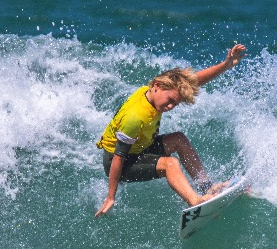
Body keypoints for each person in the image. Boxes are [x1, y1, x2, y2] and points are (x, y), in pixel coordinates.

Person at [94, 44, 247, 217]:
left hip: (140, 147)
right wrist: (110, 197)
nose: (171, 106)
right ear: (158, 86)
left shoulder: (154, 90)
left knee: (178, 139)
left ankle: (207, 186)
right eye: (170, 100)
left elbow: (193, 82)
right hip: (119, 161)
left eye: (176, 103)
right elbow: (118, 157)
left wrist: (225, 65)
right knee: (170, 164)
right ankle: (196, 202)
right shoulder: (135, 116)